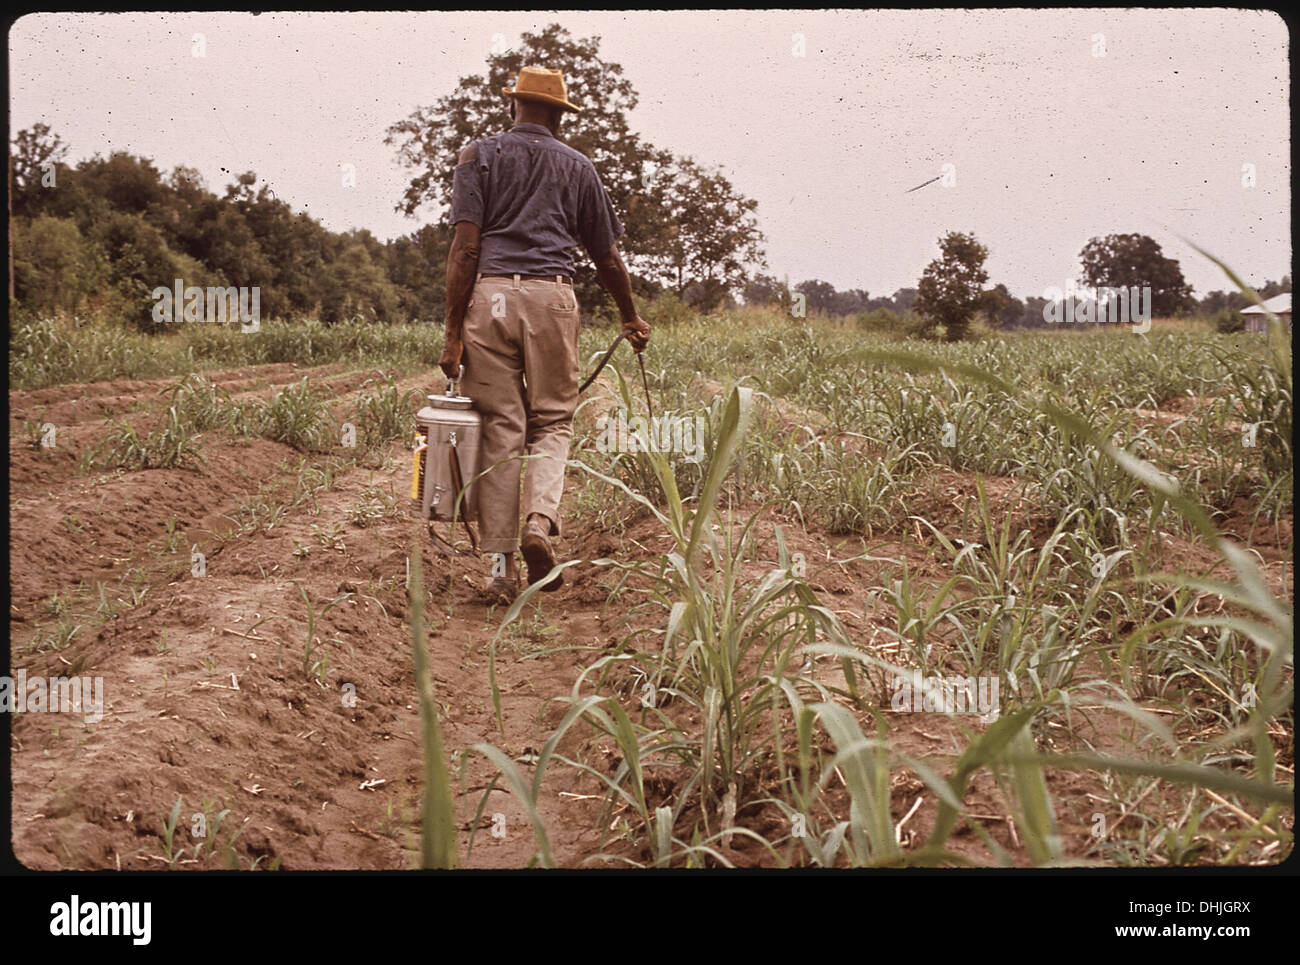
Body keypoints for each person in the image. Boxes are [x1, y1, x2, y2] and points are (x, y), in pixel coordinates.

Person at [439, 65, 651, 603]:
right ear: (559, 114)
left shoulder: (476, 155)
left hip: (490, 297)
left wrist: (452, 333)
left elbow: (465, 247)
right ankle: (539, 520)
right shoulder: (579, 166)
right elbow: (606, 256)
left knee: (500, 428)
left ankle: (499, 571)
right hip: (553, 296)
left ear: (514, 106)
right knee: (553, 419)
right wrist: (629, 317)